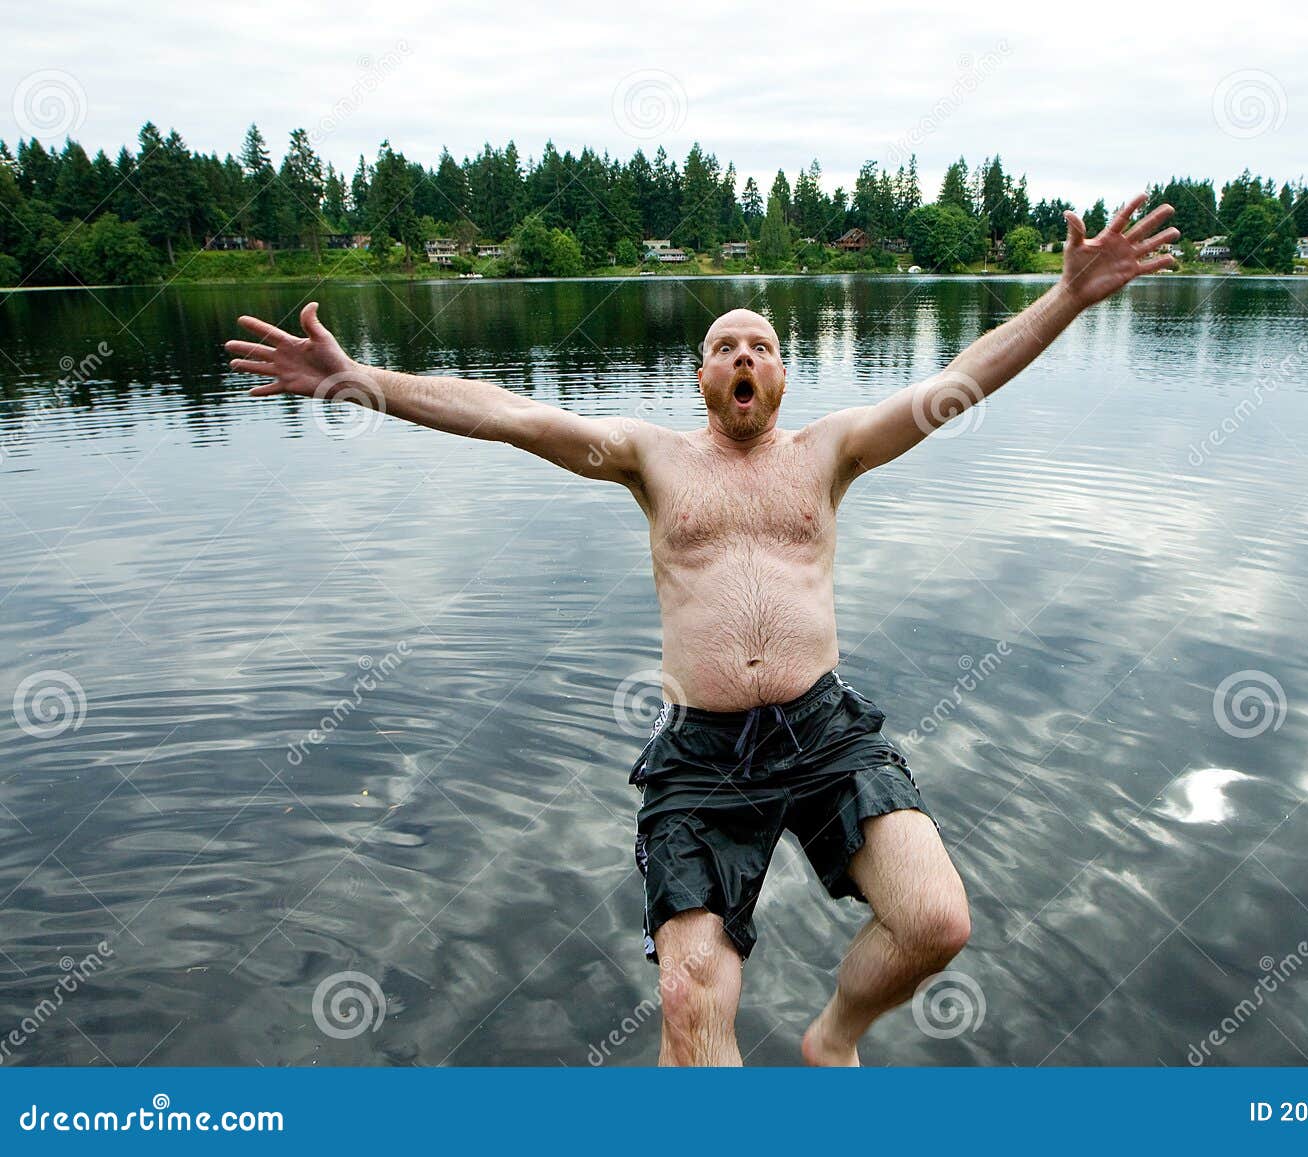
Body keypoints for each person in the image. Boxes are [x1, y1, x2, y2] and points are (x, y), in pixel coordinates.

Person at [225, 194, 1179, 1065]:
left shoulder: (831, 451)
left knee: (935, 922)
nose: (744, 358)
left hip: (824, 729)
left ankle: (832, 1040)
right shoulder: (653, 459)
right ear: (702, 377)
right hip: (703, 750)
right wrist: (361, 382)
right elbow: (512, 414)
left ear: (784, 374)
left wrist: (1068, 297)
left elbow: (958, 381)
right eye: (726, 347)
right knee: (689, 999)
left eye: (760, 345)